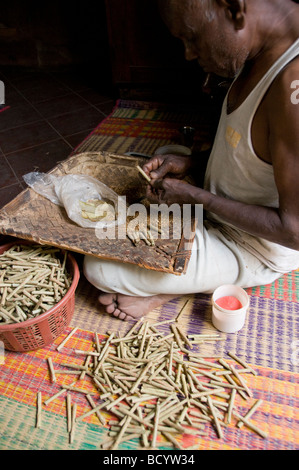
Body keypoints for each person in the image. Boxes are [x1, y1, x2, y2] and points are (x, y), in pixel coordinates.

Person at [84, 0, 299, 321]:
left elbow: (294, 230)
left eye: (192, 37)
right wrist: (193, 164)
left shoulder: (292, 85)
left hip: (252, 245)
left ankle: (179, 286)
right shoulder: (257, 43)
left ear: (234, 8)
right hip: (220, 203)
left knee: (101, 268)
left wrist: (198, 198)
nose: (188, 53)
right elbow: (246, 152)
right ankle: (190, 261)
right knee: (168, 157)